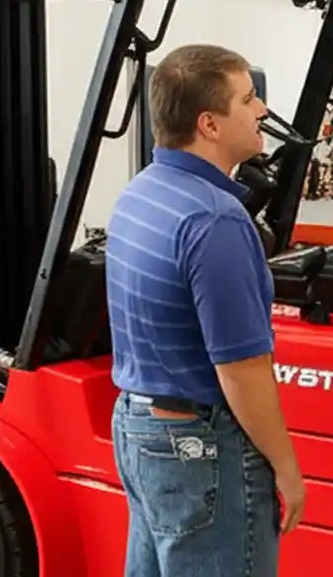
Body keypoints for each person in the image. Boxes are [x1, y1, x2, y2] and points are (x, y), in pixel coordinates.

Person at [106, 44, 304, 576]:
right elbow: (242, 371)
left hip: (139, 428)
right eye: (249, 98)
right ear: (209, 124)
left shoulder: (138, 195)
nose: (262, 109)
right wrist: (285, 466)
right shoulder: (216, 220)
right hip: (200, 447)